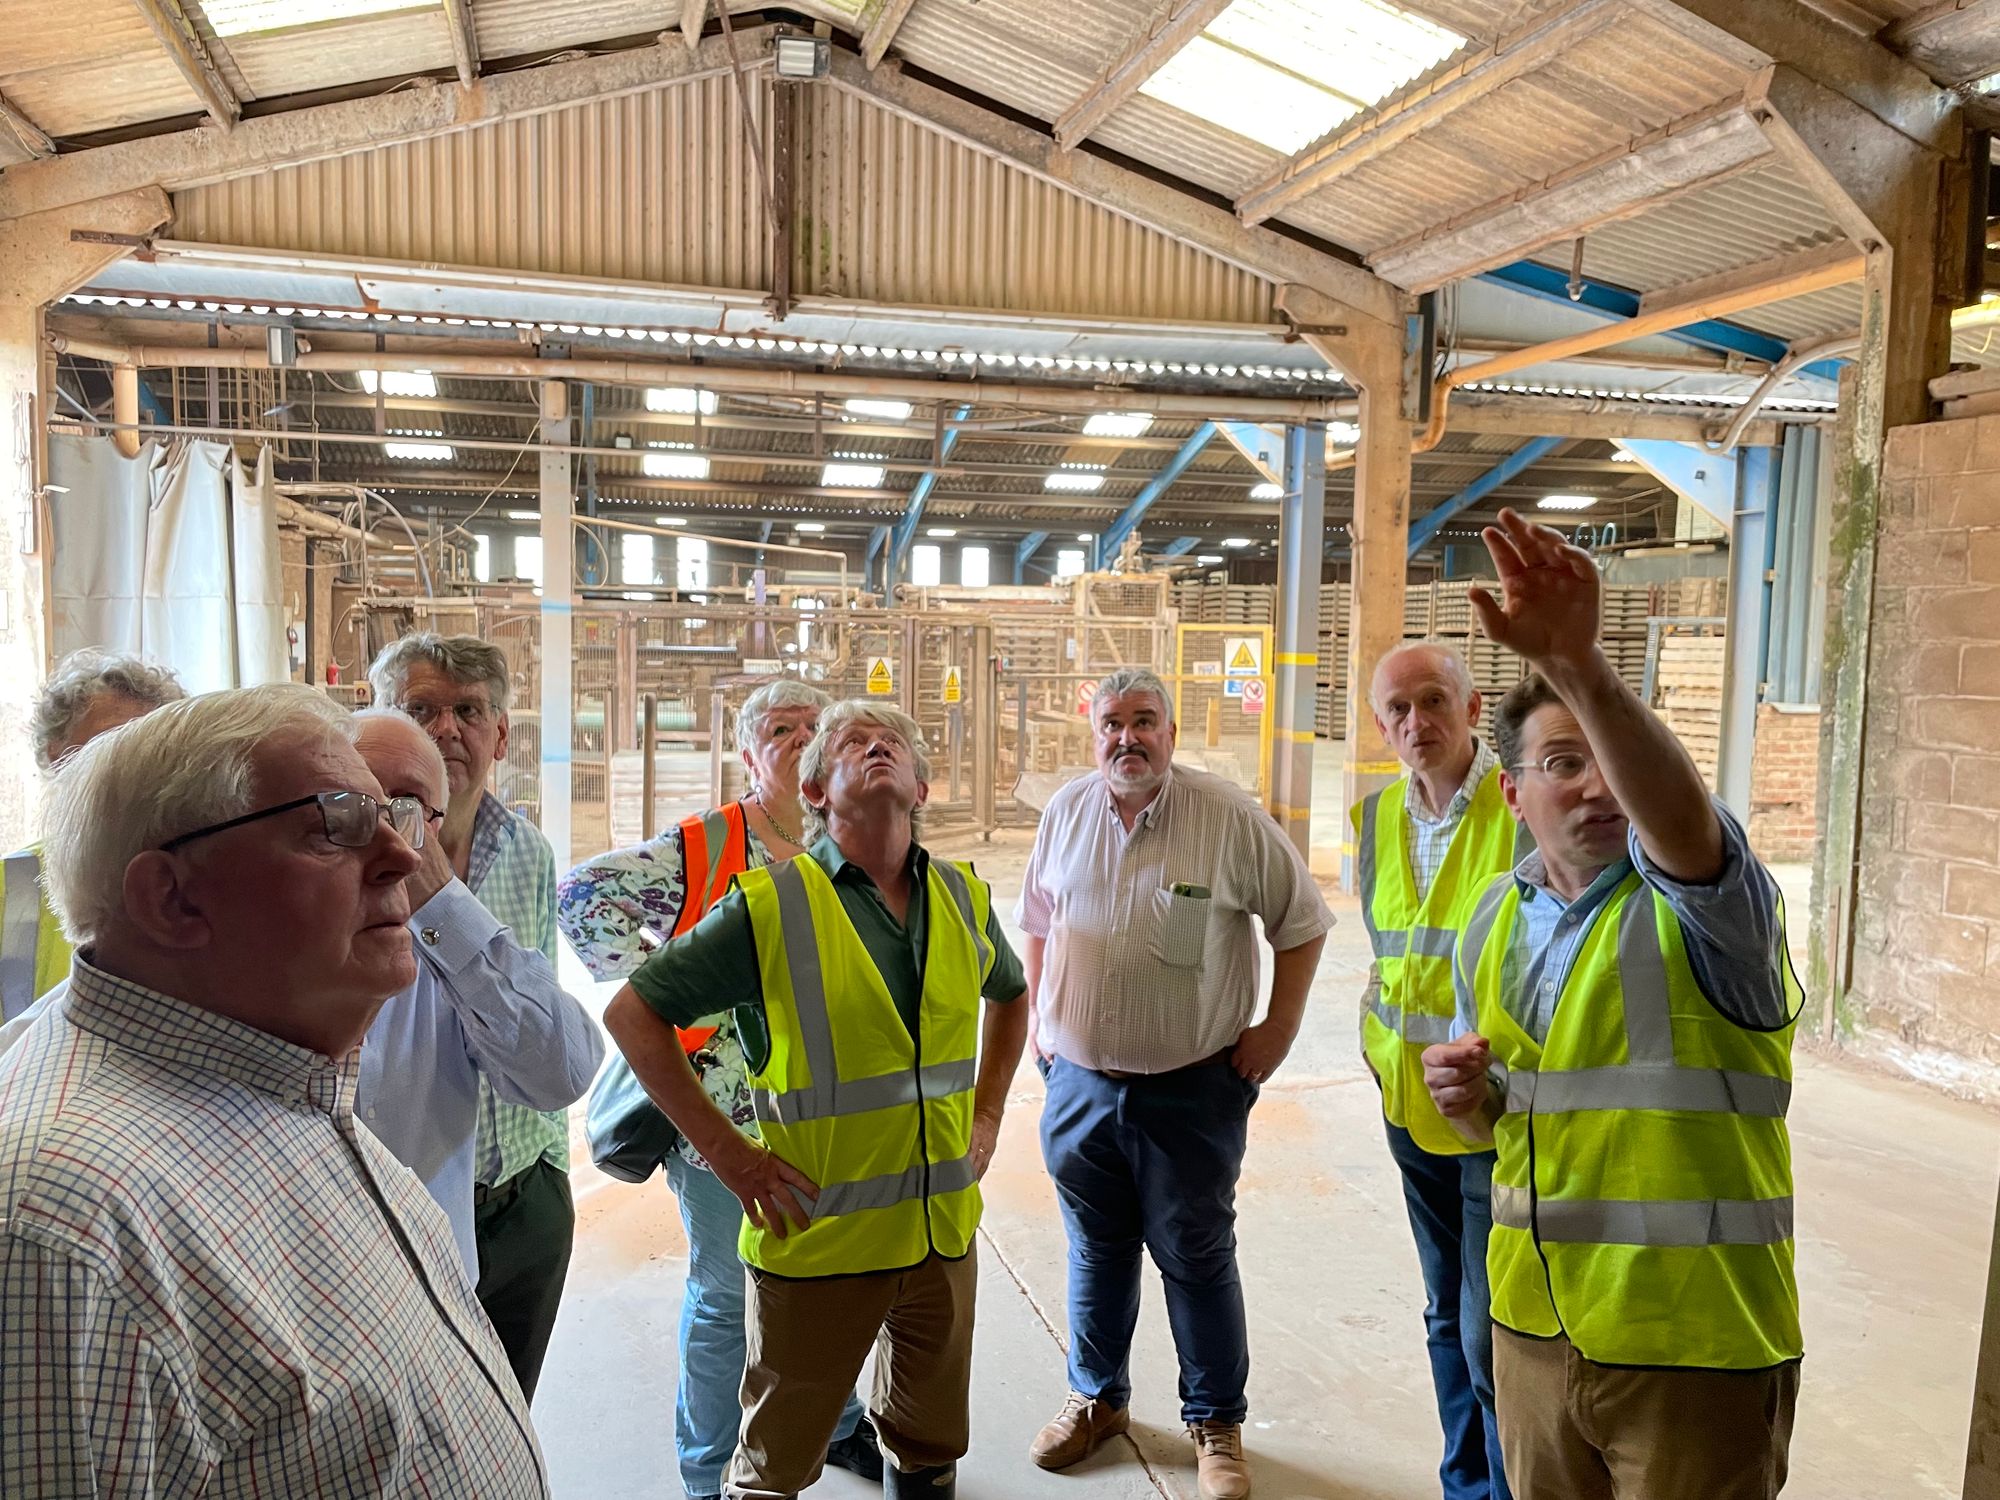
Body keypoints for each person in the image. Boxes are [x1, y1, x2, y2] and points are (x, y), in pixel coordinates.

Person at [0, 684, 546, 1496]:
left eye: (394, 818)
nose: (406, 859)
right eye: (336, 824)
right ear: (172, 898)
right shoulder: (62, 1226)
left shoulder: (288, 1069)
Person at [1422, 509, 1803, 1500]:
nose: (1595, 787)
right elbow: (1506, 1124)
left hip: (1692, 1341)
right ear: (1512, 795)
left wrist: (1583, 671)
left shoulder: (1708, 907)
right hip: (1533, 1331)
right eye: (1561, 763)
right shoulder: (1489, 920)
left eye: (1604, 755)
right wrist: (1468, 1099)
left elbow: (1684, 827)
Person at [602, 700, 1029, 1500]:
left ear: (922, 788)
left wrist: (990, 1113)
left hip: (940, 1240)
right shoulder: (773, 906)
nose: (876, 748)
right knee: (775, 1467)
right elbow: (633, 1015)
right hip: (819, 1241)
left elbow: (1011, 995)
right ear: (816, 793)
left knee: (929, 1444)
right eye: (852, 744)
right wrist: (730, 1156)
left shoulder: (963, 897)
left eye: (893, 742)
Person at [558, 679, 883, 1500]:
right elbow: (581, 896)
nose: (801, 738)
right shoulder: (705, 847)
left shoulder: (850, 842)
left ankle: (839, 1424)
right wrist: (664, 992)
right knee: (726, 1298)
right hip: (725, 1127)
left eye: (815, 726)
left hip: (835, 1116)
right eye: (781, 729)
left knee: (831, 1283)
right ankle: (707, 1474)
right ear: (748, 755)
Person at [1017, 667, 1333, 1500]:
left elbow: (1302, 923)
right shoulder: (1065, 811)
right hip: (1079, 1085)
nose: (1127, 738)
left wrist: (1277, 1028)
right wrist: (1043, 1027)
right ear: (1094, 735)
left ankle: (1216, 1422)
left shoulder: (1227, 817)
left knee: (1194, 1253)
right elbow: (1038, 922)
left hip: (1191, 1089)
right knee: (1096, 1249)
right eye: (1112, 723)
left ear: (1170, 732)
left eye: (1144, 721)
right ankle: (1097, 1399)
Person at [369, 632, 573, 1402]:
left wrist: (551, 1169)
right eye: (421, 710)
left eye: (469, 711)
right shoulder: (346, 856)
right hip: (401, 1190)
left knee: (506, 1411)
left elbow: (541, 1006)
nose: (446, 729)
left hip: (524, 1186)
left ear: (501, 735)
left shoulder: (529, 853)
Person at [351, 707, 604, 1278]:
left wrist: (442, 900)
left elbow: (562, 1068)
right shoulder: (261, 956)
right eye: (353, 806)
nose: (383, 835)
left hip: (467, 1247)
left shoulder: (449, 948)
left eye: (407, 809)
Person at [1354, 641, 1522, 1500]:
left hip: (1497, 1110)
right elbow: (1389, 954)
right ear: (1381, 725)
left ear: (1472, 707)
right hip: (1409, 1105)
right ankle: (1466, 1482)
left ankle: (1505, 1485)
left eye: (1433, 701)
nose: (1416, 722)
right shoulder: (1377, 818)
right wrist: (1376, 1043)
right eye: (1398, 709)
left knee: (1491, 1326)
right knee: (1444, 1311)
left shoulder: (1520, 806)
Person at [3, 649, 184, 1019]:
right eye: (107, 745)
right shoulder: (10, 883)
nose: (127, 769)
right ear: (57, 757)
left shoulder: (198, 877)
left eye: (148, 751)